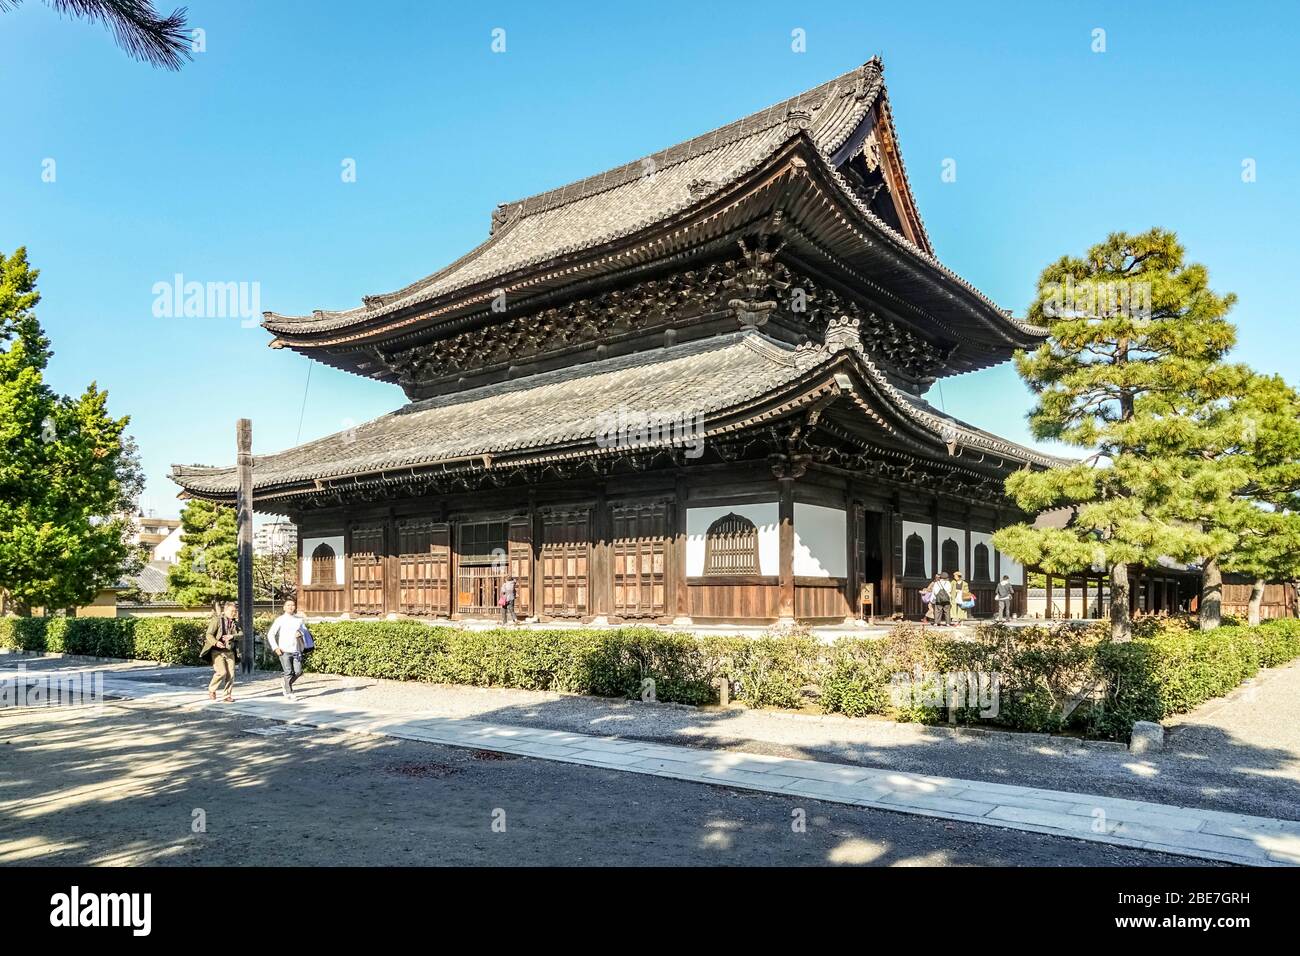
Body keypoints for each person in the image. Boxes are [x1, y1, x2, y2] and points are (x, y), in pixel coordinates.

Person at [267, 597, 311, 701]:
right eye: (288, 605)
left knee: (298, 671)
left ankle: (286, 683)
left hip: (296, 650)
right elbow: (271, 634)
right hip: (284, 650)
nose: (291, 607)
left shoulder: (299, 620)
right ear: (284, 608)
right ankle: (289, 692)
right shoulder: (280, 619)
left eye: (292, 605)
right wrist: (275, 647)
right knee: (288, 672)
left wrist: (300, 633)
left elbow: (305, 632)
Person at [200, 602, 241, 702]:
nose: (234, 613)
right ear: (225, 611)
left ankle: (227, 695)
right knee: (221, 672)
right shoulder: (217, 620)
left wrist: (232, 636)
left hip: (229, 651)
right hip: (217, 651)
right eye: (232, 611)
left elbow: (241, 634)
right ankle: (212, 689)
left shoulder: (235, 623)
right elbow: (209, 634)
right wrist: (216, 642)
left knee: (231, 674)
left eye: (235, 611)